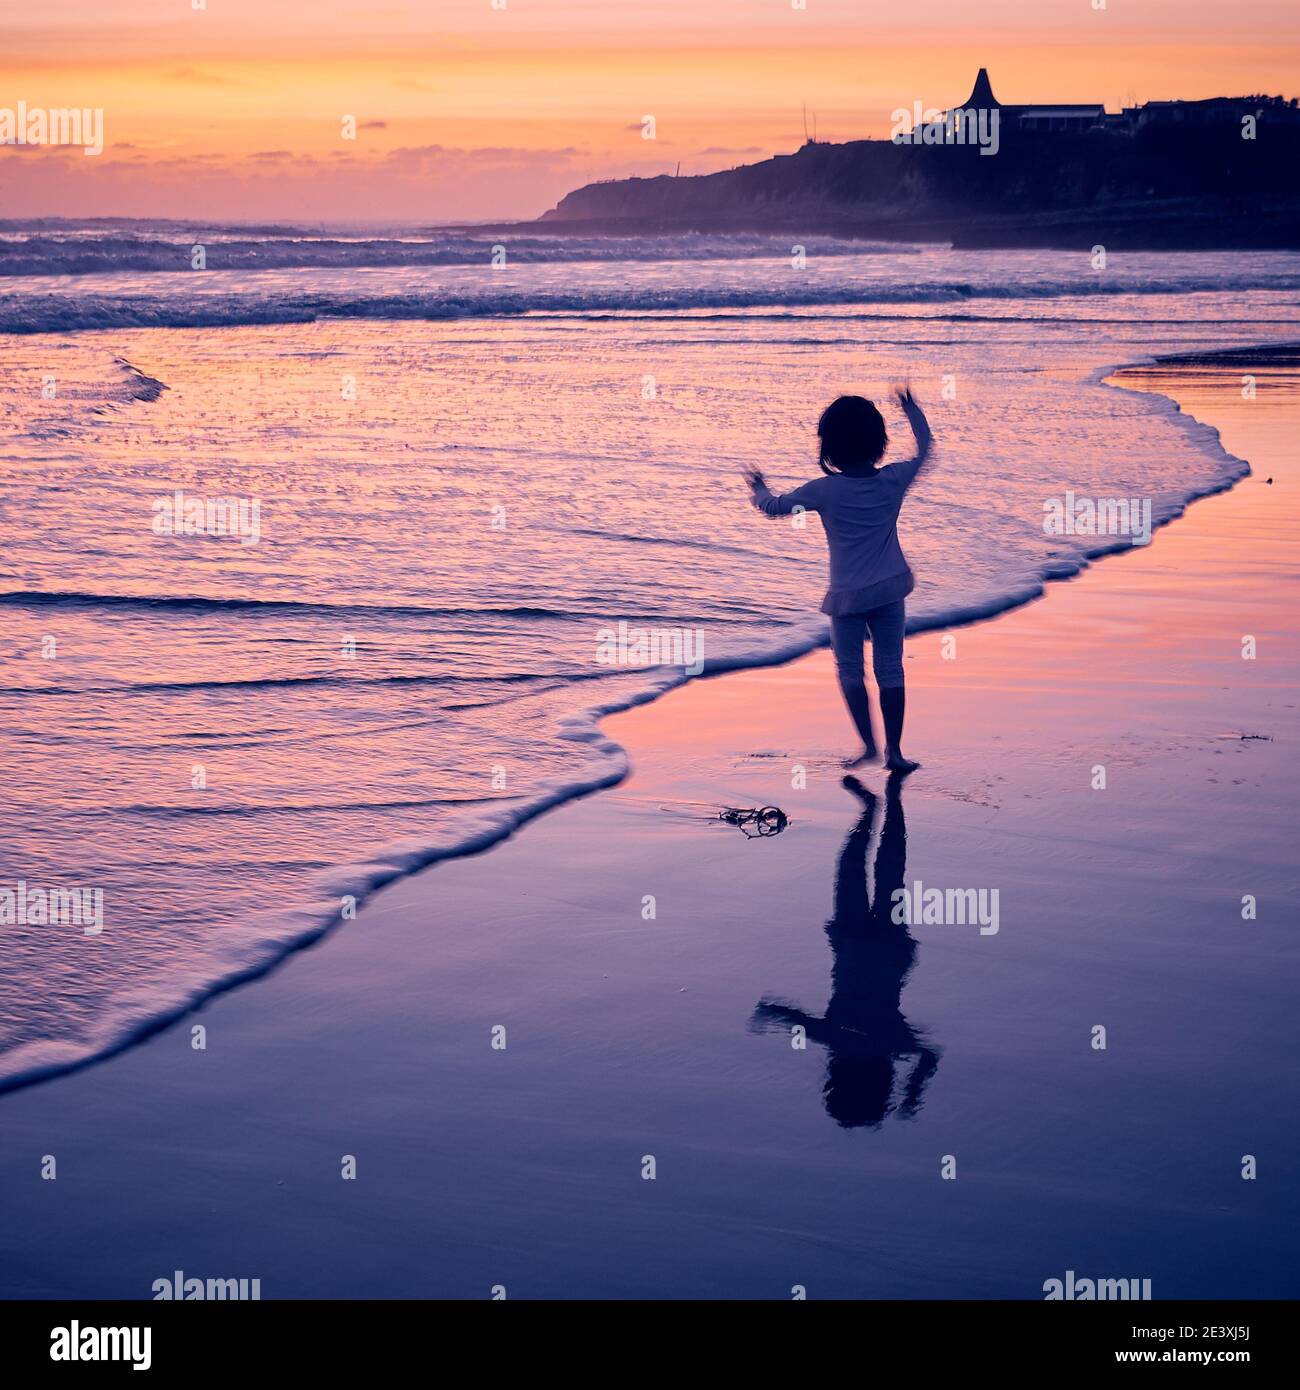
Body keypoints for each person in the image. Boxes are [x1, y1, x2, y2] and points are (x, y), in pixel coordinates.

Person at [744, 389, 932, 772]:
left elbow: (775, 508)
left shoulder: (825, 490)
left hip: (847, 598)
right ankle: (894, 752)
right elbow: (926, 450)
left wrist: (758, 488)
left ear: (830, 447)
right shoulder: (893, 480)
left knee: (850, 670)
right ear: (878, 441)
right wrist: (912, 410)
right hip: (890, 589)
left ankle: (868, 747)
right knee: (890, 669)